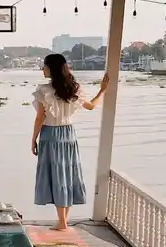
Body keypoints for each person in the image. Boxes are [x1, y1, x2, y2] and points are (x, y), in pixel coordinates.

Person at [32, 53, 110, 231]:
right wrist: (102, 91)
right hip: (69, 134)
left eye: (45, 66)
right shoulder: (73, 88)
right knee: (67, 174)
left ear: (51, 69)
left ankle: (62, 222)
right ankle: (64, 220)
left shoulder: (44, 91)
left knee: (56, 175)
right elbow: (91, 106)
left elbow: (39, 118)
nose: (43, 69)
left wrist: (33, 139)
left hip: (50, 135)